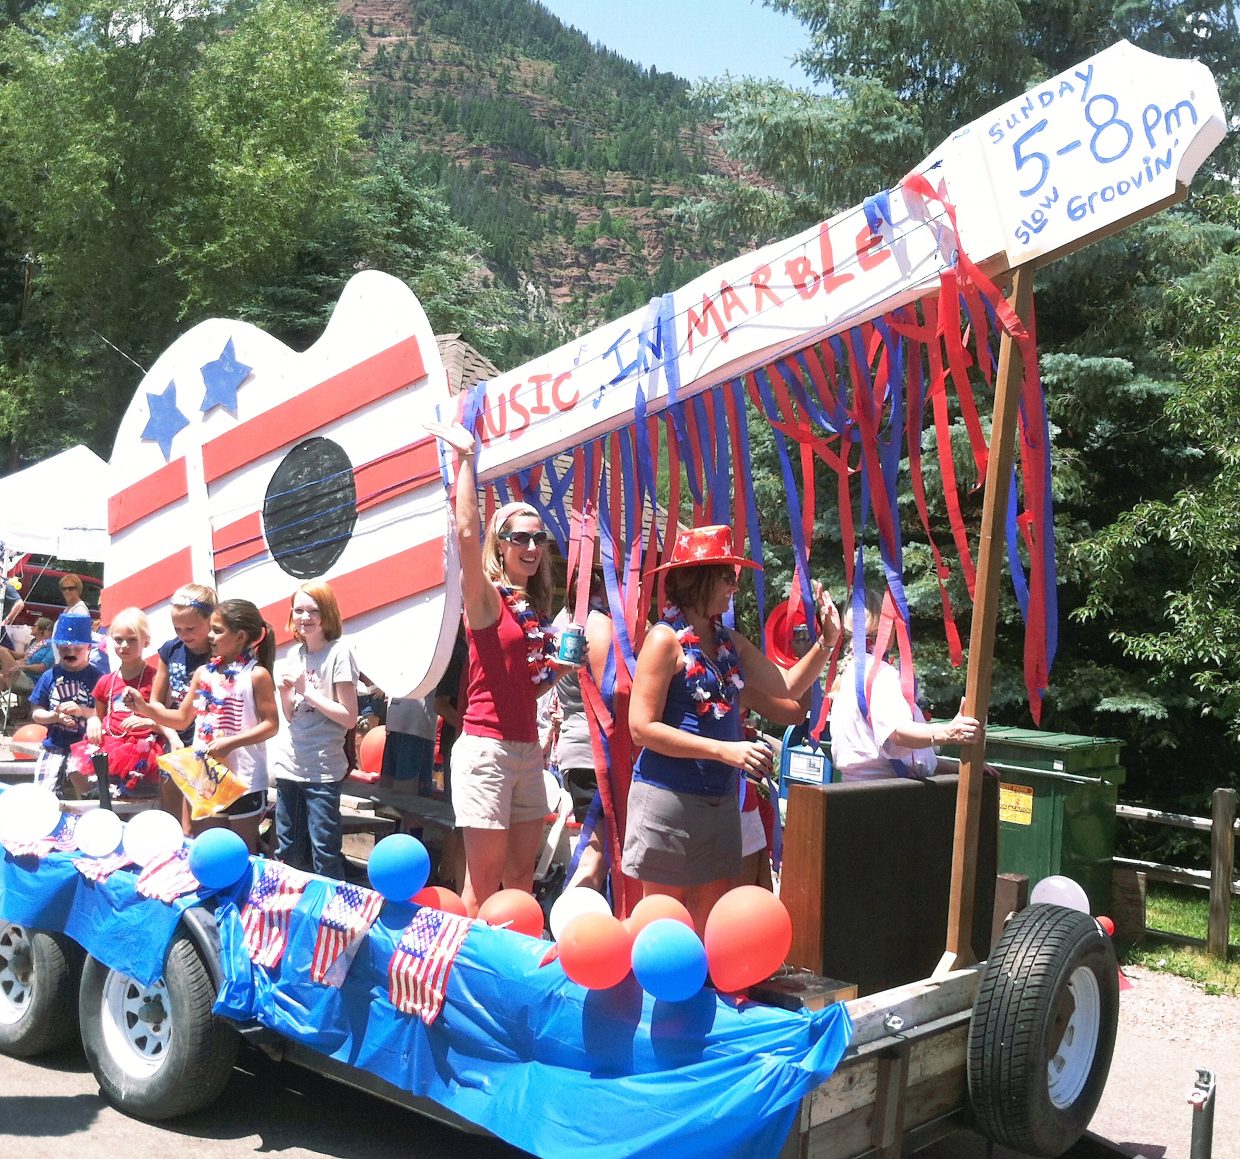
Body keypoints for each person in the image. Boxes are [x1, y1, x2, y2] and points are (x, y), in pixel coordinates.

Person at [624, 525, 840, 933]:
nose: (734, 587)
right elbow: (641, 728)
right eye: (727, 575)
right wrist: (727, 751)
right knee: (665, 928)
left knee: (710, 926)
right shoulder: (664, 640)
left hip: (720, 803)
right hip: (669, 802)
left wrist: (826, 644)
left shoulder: (730, 642)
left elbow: (788, 686)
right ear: (696, 577)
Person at [425, 418, 580, 916]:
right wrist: (467, 461)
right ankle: (467, 984)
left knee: (521, 884)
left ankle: (508, 982)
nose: (532, 548)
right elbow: (466, 532)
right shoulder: (485, 598)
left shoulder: (530, 610)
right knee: (482, 889)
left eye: (538, 539)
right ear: (501, 545)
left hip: (526, 751)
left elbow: (520, 690)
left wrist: (558, 669)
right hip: (486, 751)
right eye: (519, 538)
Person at [125, 599, 279, 852]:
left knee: (241, 852)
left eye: (217, 630)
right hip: (206, 777)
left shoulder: (256, 675)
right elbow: (182, 718)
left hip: (244, 780)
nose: (210, 636)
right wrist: (145, 708)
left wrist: (232, 742)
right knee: (208, 848)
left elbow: (271, 725)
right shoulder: (203, 673)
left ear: (239, 636)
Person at [829, 589, 980, 780]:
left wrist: (956, 767)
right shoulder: (880, 674)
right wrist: (948, 732)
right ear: (885, 627)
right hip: (887, 796)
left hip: (859, 791)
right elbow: (897, 733)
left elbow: (887, 758)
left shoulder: (849, 672)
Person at [267, 581, 359, 879]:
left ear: (327, 614)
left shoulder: (339, 654)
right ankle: (289, 910)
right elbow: (292, 717)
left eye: (313, 611)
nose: (304, 618)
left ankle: (330, 914)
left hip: (322, 766)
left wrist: (308, 692)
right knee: (289, 848)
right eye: (299, 611)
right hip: (290, 763)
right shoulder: (294, 654)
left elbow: (349, 718)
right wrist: (284, 694)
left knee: (324, 850)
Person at [552, 573, 615, 892]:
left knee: (596, 853)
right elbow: (614, 690)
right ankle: (574, 927)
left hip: (580, 750)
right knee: (595, 856)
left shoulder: (563, 621)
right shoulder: (589, 624)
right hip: (590, 751)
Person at [71, 608, 165, 798]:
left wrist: (149, 722)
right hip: (110, 740)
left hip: (142, 745)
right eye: (118, 639)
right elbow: (99, 715)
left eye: (132, 640)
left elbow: (165, 719)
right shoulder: (106, 681)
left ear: (145, 641)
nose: (124, 645)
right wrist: (94, 721)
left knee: (133, 792)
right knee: (74, 769)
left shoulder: (155, 678)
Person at [150, 583, 217, 822]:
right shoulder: (170, 650)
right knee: (172, 814)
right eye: (177, 628)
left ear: (211, 620)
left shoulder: (220, 652)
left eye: (190, 628)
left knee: (199, 818)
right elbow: (156, 703)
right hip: (176, 737)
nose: (184, 634)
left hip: (209, 741)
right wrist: (172, 737)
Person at [28, 614, 108, 792]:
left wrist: (82, 711)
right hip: (54, 744)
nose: (70, 653)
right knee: (43, 789)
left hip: (86, 744)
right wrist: (54, 716)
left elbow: (106, 714)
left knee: (86, 786)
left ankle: (85, 812)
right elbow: (36, 712)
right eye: (64, 648)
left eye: (77, 648)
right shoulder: (50, 675)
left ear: (88, 647)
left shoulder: (98, 678)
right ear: (57, 647)